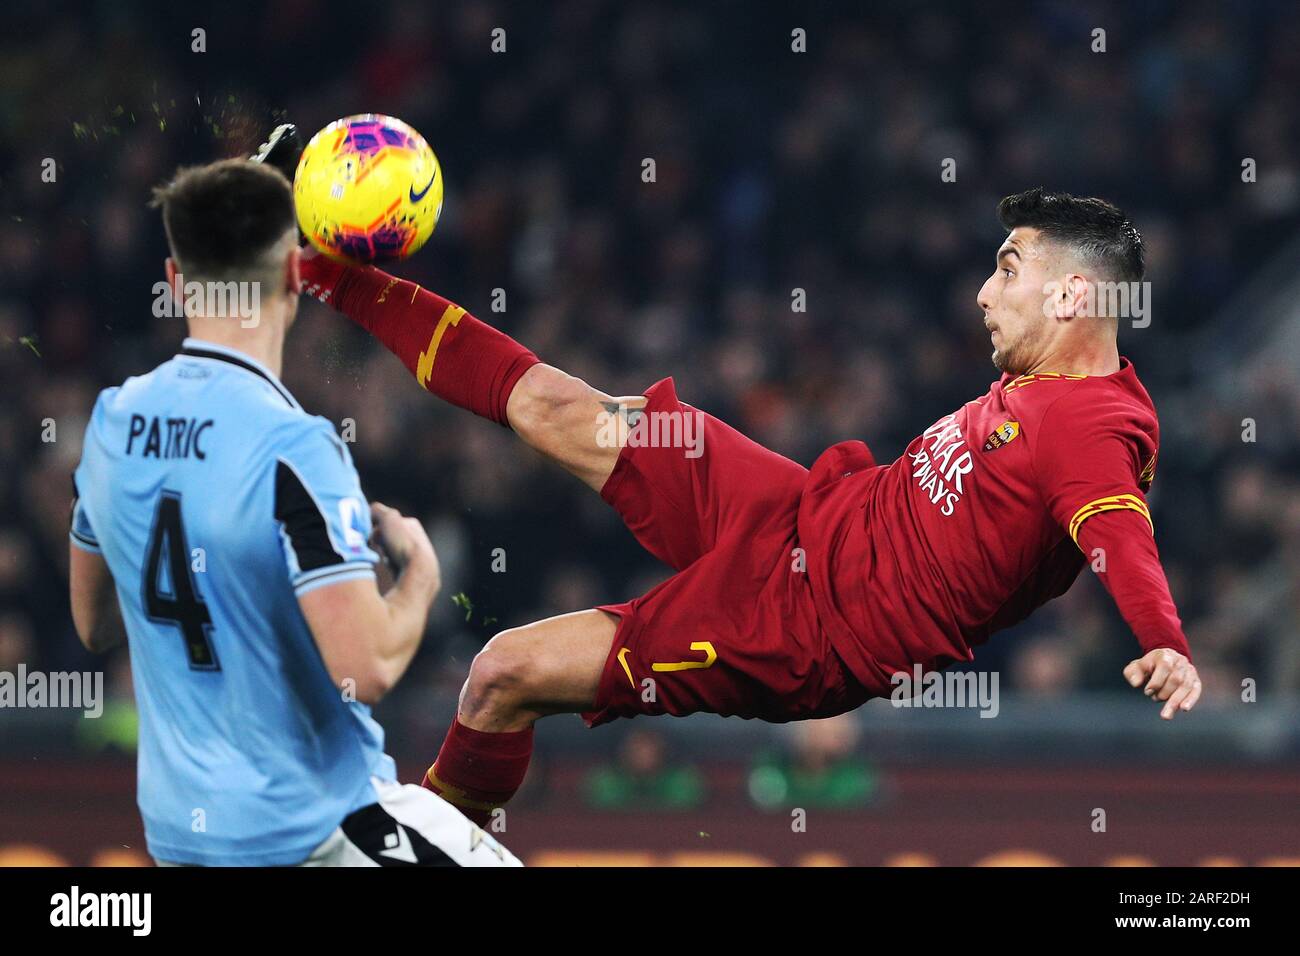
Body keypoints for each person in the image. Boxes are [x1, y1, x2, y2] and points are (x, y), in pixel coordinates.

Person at [295, 174, 1201, 828]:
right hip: (808, 510)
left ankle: (426, 855)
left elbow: (1118, 531)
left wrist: (1161, 639)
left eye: (1008, 270)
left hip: (805, 626)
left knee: (501, 673)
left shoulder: (1091, 428)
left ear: (1076, 293)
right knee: (558, 408)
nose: (983, 292)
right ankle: (328, 275)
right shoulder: (1050, 386)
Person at [67, 156, 519, 866]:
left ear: (174, 281)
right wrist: (421, 577)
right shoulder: (294, 449)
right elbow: (365, 668)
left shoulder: (112, 422)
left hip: (182, 839)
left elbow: (93, 624)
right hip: (316, 830)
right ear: (293, 275)